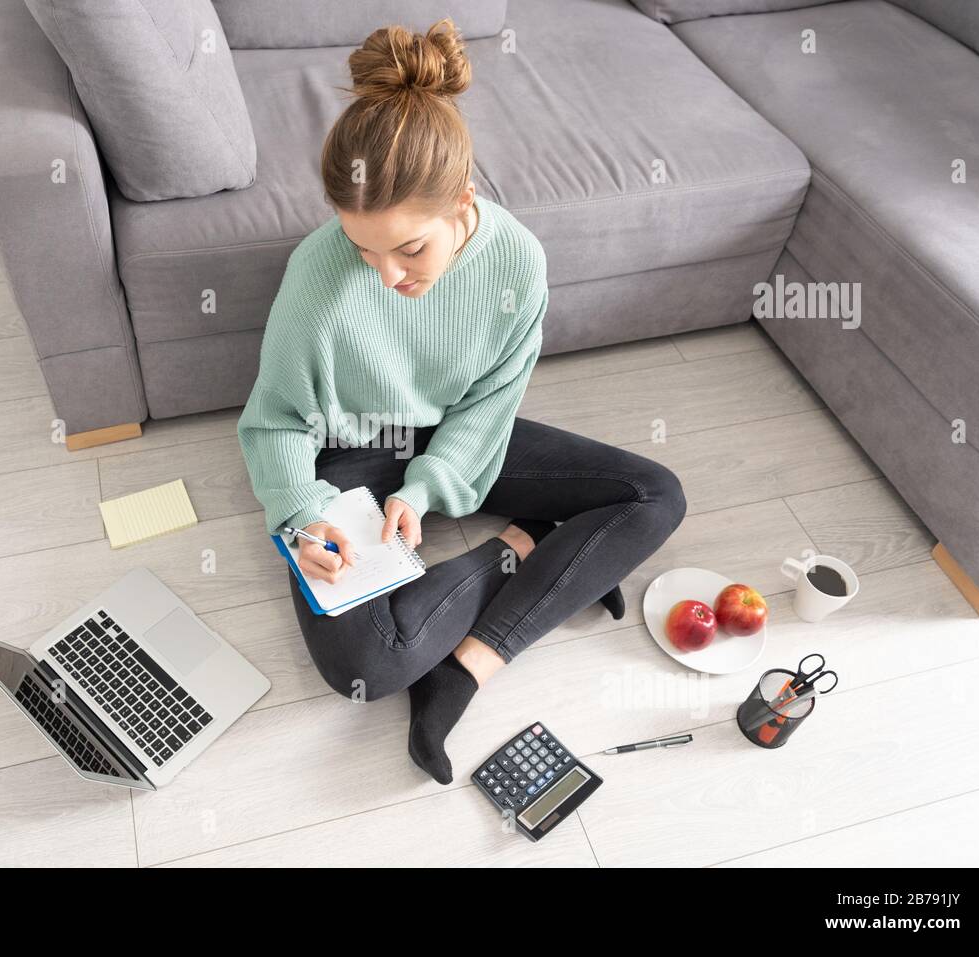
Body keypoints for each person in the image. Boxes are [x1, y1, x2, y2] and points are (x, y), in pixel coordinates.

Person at [237, 19, 687, 784]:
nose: (385, 275)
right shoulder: (318, 277)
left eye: (409, 248)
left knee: (654, 496)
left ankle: (467, 669)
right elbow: (277, 420)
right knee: (367, 662)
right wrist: (305, 517)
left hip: (461, 433)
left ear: (462, 202)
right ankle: (527, 546)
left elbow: (492, 398)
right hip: (350, 450)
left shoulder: (516, 259)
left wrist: (429, 486)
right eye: (362, 247)